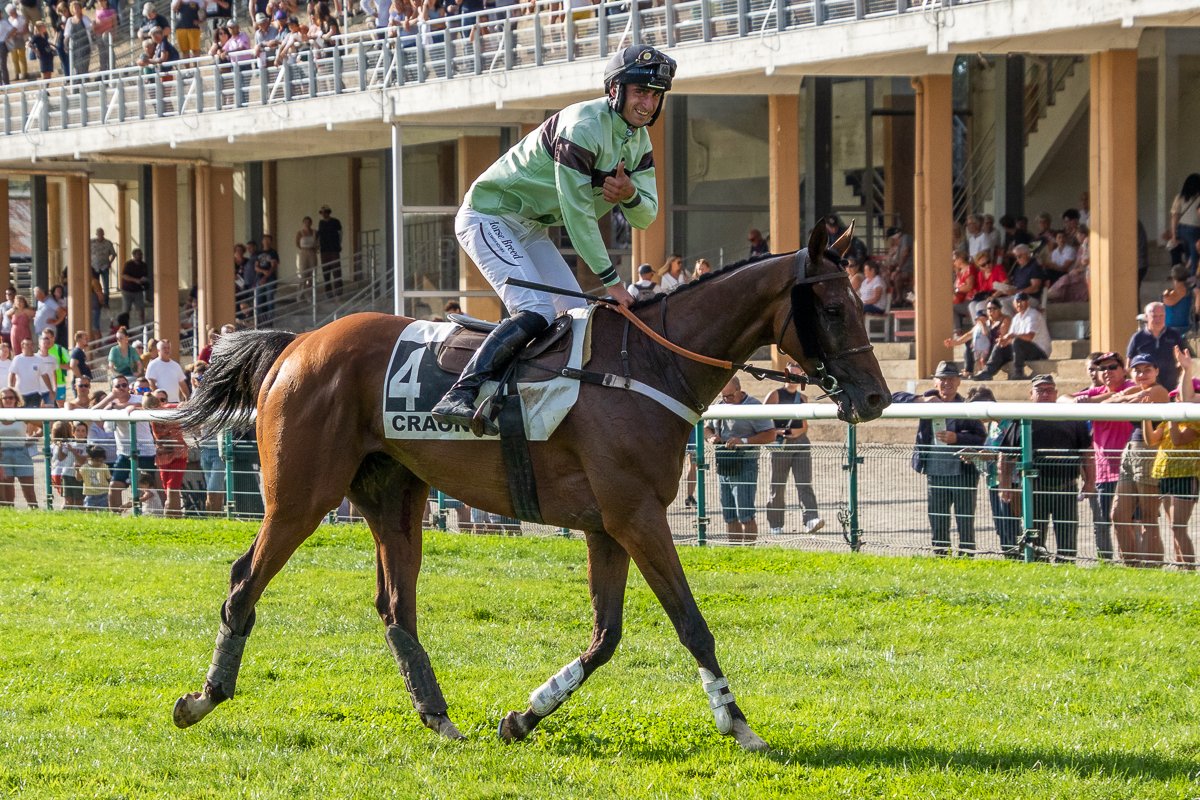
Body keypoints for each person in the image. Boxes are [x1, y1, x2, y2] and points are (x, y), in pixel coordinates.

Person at [432, 44, 675, 436]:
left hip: (530, 228)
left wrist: (628, 194)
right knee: (537, 309)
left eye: (654, 94)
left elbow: (646, 214)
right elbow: (578, 217)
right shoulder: (583, 125)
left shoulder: (639, 142)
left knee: (577, 315)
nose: (647, 104)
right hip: (489, 216)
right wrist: (613, 284)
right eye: (640, 92)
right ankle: (461, 392)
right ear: (616, 90)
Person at [891, 361, 986, 556]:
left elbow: (981, 438)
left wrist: (957, 438)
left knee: (965, 519)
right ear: (935, 382)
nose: (946, 383)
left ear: (959, 381)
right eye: (942, 379)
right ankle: (941, 554)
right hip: (935, 472)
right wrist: (920, 400)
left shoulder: (966, 407)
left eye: (951, 379)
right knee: (937, 518)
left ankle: (967, 555)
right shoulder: (928, 402)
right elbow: (894, 397)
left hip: (963, 473)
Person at [999, 375, 1095, 562]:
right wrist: (1005, 485)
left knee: (1067, 537)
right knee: (1035, 537)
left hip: (1065, 487)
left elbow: (1086, 453)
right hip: (1033, 488)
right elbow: (1005, 455)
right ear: (1031, 394)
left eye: (1049, 390)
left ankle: (1066, 568)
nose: (1045, 394)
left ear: (1056, 393)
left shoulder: (1072, 419)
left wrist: (1090, 481)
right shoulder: (1022, 420)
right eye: (1040, 390)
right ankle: (1037, 566)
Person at [1069, 352, 1135, 561]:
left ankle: (1138, 564)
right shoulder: (1096, 391)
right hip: (1104, 472)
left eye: (1112, 367)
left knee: (1134, 522)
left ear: (1123, 369)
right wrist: (1106, 397)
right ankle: (1110, 562)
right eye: (1102, 368)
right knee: (1107, 522)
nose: (1107, 372)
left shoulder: (1132, 386)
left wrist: (1091, 401)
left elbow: (1135, 392)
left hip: (1131, 469)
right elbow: (1064, 400)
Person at [704, 378, 776, 545]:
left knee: (745, 513)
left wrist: (743, 441)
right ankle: (735, 549)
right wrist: (711, 438)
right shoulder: (720, 405)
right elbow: (707, 428)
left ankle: (749, 550)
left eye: (729, 396)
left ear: (739, 390)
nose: (726, 399)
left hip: (745, 463)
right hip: (724, 463)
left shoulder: (754, 406)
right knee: (729, 515)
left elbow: (770, 434)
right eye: (723, 396)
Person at [764, 364, 823, 535]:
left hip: (801, 443)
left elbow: (804, 425)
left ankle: (811, 520)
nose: (794, 378)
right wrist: (778, 433)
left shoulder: (803, 398)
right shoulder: (774, 395)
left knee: (804, 483)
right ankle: (776, 524)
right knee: (777, 486)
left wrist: (796, 433)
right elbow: (762, 420)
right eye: (791, 374)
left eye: (798, 375)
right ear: (785, 374)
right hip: (780, 445)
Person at [95, 375, 159, 512]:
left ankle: (151, 516)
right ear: (113, 389)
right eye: (118, 386)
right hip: (124, 453)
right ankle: (116, 517)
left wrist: (116, 406)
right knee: (114, 486)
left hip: (145, 451)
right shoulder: (110, 404)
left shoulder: (138, 399)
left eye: (124, 385)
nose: (122, 388)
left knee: (148, 489)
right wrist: (111, 399)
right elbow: (93, 413)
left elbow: (141, 405)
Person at [972, 293, 1050, 381]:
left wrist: (1011, 336)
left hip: (1040, 351)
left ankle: (1019, 372)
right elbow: (1010, 338)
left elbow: (1029, 337)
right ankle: (987, 373)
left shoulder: (1033, 315)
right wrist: (1003, 341)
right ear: (1013, 304)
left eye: (1022, 301)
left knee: (1017, 341)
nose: (1019, 304)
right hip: (1023, 350)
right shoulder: (1016, 318)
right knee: (999, 346)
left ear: (1027, 303)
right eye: (1017, 302)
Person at [145, 392, 188, 517]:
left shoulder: (168, 409)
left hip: (178, 454)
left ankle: (170, 518)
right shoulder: (148, 413)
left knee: (172, 490)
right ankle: (175, 518)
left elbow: (182, 406)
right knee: (167, 489)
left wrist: (182, 405)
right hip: (163, 456)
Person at [1127, 301, 1186, 390]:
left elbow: (1184, 361)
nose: (1158, 320)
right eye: (1154, 316)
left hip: (1171, 387)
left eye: (1161, 316)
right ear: (1146, 317)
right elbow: (1129, 365)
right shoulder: (1138, 338)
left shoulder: (1174, 335)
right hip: (1146, 389)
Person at [0, 388, 36, 507]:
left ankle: (36, 515)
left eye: (11, 397)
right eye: (5, 398)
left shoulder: (23, 414)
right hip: (2, 456)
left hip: (21, 453)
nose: (8, 400)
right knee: (8, 495)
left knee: (29, 493)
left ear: (16, 399)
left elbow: (45, 425)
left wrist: (34, 436)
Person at [1167, 173, 1200, 276]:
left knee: (1188, 253)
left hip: (1181, 229)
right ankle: (1192, 275)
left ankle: (1184, 275)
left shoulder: (1180, 197)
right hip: (1195, 229)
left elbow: (1174, 217)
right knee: (1194, 253)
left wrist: (1174, 235)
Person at [9, 337, 52, 407]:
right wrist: (11, 389)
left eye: (31, 344)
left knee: (33, 416)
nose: (30, 346)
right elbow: (12, 375)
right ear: (22, 345)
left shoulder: (39, 359)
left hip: (35, 393)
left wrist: (51, 390)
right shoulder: (17, 359)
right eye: (27, 344)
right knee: (21, 416)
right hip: (20, 394)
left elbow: (45, 375)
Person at [317, 204, 343, 298]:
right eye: (322, 212)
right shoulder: (321, 223)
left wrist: (338, 244)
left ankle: (338, 292)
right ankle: (329, 293)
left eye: (325, 212)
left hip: (334, 249)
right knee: (326, 272)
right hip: (324, 249)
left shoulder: (335, 222)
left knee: (336, 271)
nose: (324, 214)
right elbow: (319, 236)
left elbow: (340, 234)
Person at [254, 233, 279, 326]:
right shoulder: (258, 253)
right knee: (258, 302)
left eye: (269, 240)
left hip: (270, 279)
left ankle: (270, 323)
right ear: (262, 241)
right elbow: (256, 267)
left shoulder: (273, 253)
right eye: (265, 240)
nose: (266, 242)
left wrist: (265, 276)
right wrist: (263, 272)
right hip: (259, 279)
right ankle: (260, 324)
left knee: (270, 302)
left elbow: (274, 266)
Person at [120, 248, 150, 325]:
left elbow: (145, 275)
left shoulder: (144, 265)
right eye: (138, 254)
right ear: (134, 256)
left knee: (141, 308)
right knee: (126, 309)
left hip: (138, 290)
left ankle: (142, 323)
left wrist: (144, 280)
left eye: (141, 254)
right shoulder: (128, 264)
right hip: (127, 290)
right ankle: (125, 325)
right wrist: (135, 280)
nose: (140, 256)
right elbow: (124, 275)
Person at [77, 444, 111, 510]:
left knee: (104, 510)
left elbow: (109, 478)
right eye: (97, 460)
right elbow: (79, 479)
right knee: (89, 509)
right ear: (90, 458)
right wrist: (77, 470)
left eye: (101, 461)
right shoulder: (84, 467)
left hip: (103, 493)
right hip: (90, 494)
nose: (99, 463)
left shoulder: (104, 466)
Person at [295, 216, 319, 287]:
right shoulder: (300, 233)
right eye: (305, 222)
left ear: (311, 223)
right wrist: (303, 248)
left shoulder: (315, 232)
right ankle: (301, 292)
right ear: (303, 223)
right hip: (303, 252)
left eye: (308, 222)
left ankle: (311, 291)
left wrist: (315, 248)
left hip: (312, 252)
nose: (307, 224)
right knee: (303, 272)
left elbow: (317, 242)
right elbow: (297, 243)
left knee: (312, 272)